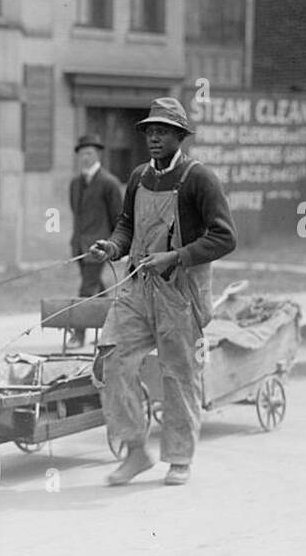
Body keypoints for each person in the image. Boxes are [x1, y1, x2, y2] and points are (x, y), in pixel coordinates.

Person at [85, 97, 237, 487]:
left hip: (180, 294)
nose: (154, 138)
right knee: (111, 360)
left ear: (179, 137)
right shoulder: (139, 177)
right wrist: (113, 247)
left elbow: (225, 237)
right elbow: (126, 225)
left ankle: (180, 458)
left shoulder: (200, 179)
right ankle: (136, 450)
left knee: (178, 375)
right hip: (137, 288)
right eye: (150, 131)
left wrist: (176, 257)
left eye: (163, 132)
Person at [67, 133, 126, 347]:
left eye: (89, 153)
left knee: (86, 289)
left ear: (98, 154)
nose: (85, 158)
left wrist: (115, 246)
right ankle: (113, 330)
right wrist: (76, 241)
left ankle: (78, 334)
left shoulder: (109, 183)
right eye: (82, 154)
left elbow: (118, 218)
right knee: (98, 289)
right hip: (79, 245)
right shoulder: (75, 183)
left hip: (99, 246)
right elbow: (76, 212)